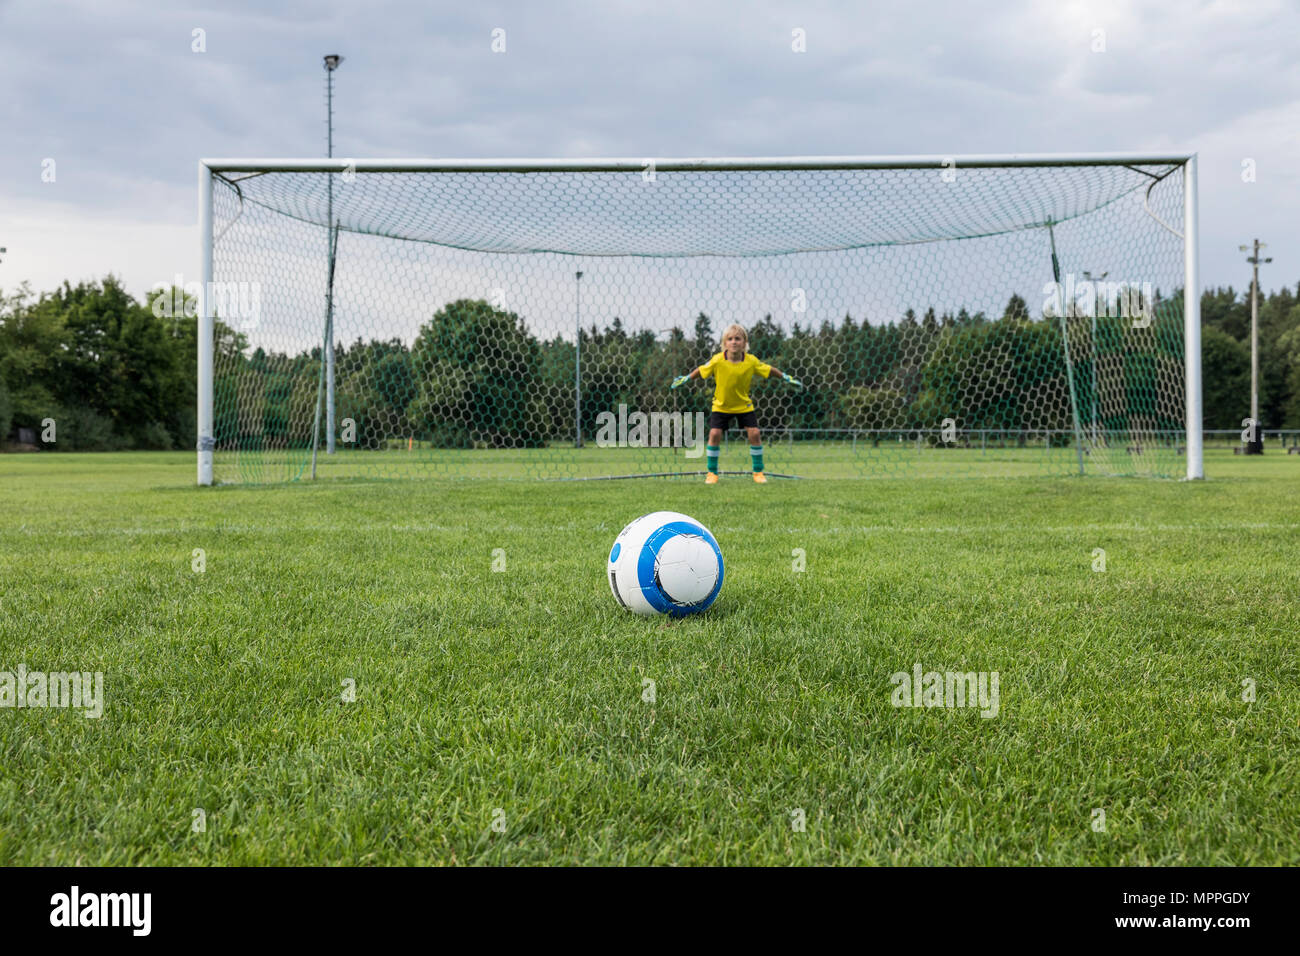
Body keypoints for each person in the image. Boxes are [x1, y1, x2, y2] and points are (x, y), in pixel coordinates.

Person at [671, 323, 802, 483]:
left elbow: (768, 369)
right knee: (714, 434)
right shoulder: (718, 360)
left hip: (743, 406)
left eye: (738, 339)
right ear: (725, 343)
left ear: (744, 343)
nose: (734, 342)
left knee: (754, 433)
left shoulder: (751, 361)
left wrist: (785, 377)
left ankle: (758, 473)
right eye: (730, 339)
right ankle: (712, 473)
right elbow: (701, 369)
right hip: (721, 405)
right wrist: (686, 378)